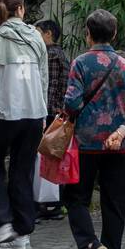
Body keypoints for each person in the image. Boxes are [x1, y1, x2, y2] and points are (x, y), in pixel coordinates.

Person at [61, 9, 125, 249]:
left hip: (85, 144)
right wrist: (120, 132)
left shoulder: (80, 64)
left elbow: (71, 103)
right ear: (115, 34)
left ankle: (90, 245)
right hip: (117, 146)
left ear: (87, 34)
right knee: (114, 203)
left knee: (74, 198)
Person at [0, 0, 48, 249]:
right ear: (20, 9)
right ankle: (22, 236)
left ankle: (2, 224)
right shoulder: (37, 37)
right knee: (23, 172)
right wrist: (42, 115)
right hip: (32, 115)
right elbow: (43, 79)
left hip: (3, 115)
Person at [36, 18, 70, 219]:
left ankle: (44, 203)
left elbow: (47, 87)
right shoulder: (62, 54)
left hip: (47, 112)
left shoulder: (49, 55)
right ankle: (55, 204)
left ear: (48, 34)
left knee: (44, 158)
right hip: (58, 114)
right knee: (55, 157)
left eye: (39, 32)